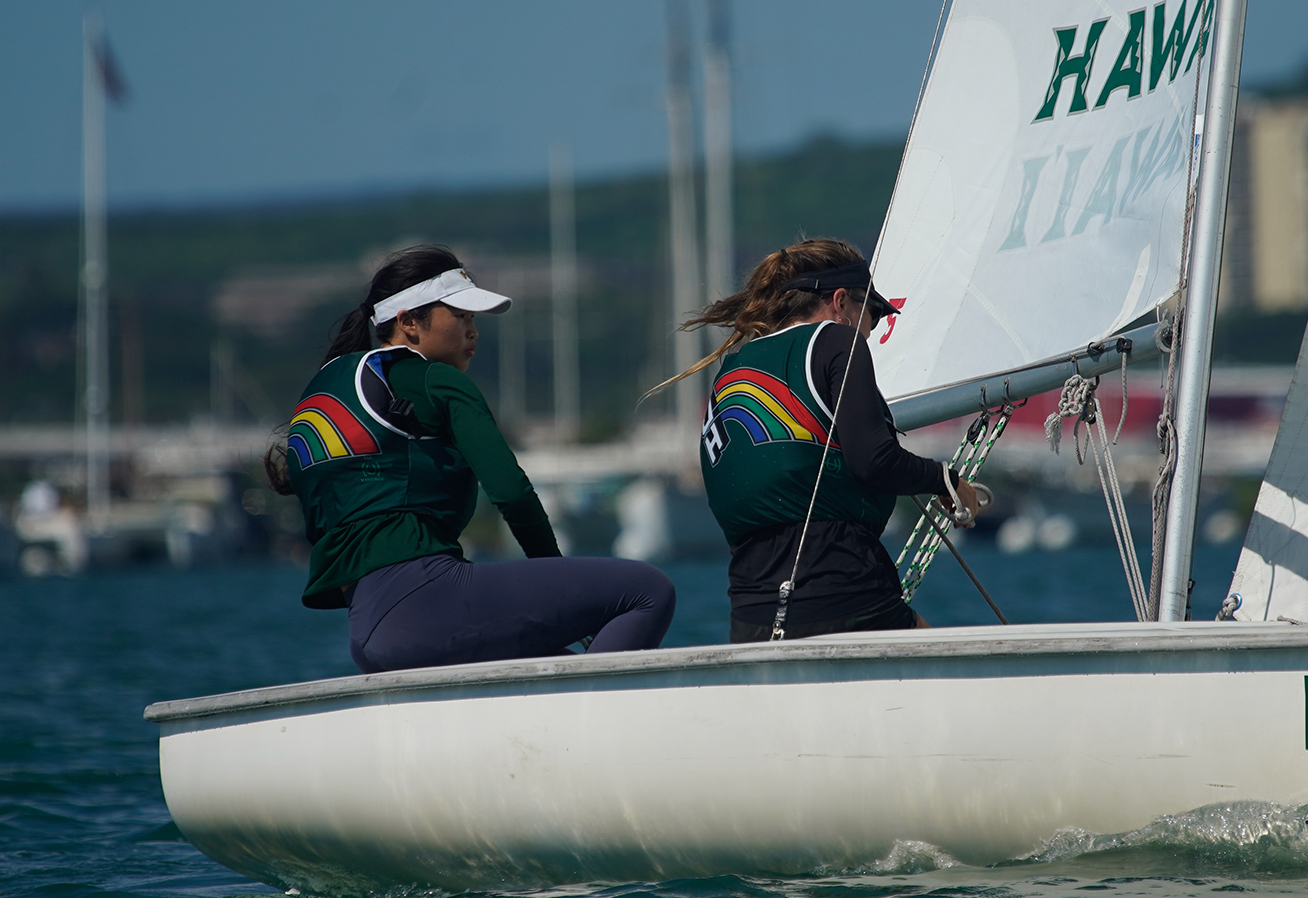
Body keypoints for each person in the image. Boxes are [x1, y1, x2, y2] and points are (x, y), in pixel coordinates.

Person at [266, 245, 675, 672]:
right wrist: (563, 587)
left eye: (473, 319)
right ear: (407, 321)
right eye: (459, 317)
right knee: (648, 590)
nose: (472, 331)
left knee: (555, 665)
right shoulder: (435, 380)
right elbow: (513, 495)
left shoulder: (322, 390)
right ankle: (598, 725)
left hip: (370, 630)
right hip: (426, 605)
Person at [663, 237, 990, 643]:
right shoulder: (837, 339)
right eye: (871, 313)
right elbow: (874, 459)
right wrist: (947, 480)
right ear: (840, 302)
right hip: (840, 578)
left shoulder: (734, 367)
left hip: (751, 605)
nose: (870, 330)